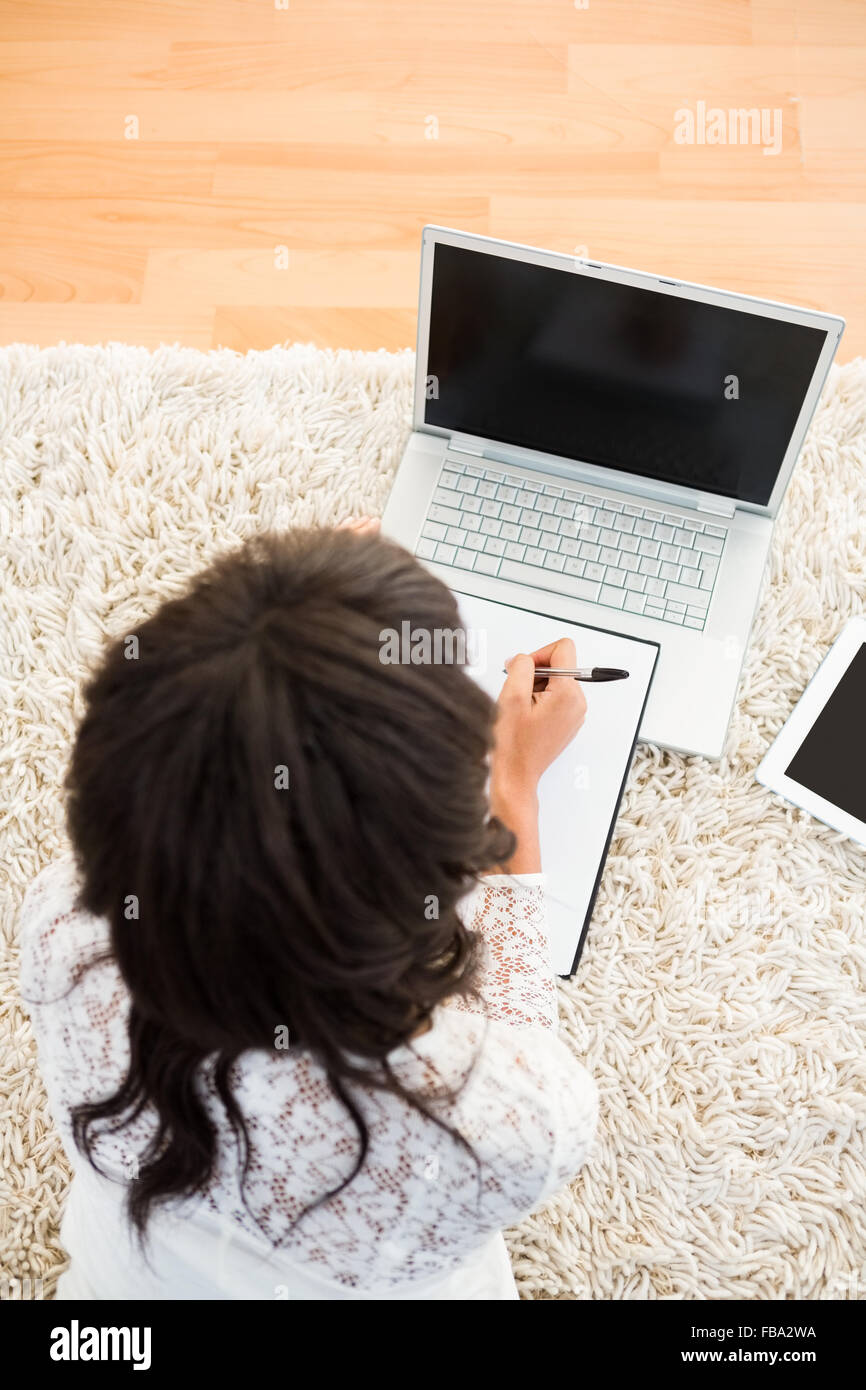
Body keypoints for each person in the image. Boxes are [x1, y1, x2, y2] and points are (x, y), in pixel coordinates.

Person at [20, 517, 597, 1300]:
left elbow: (226, 796)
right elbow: (528, 1042)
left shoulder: (61, 924)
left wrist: (297, 624)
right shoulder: (503, 1125)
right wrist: (516, 793)